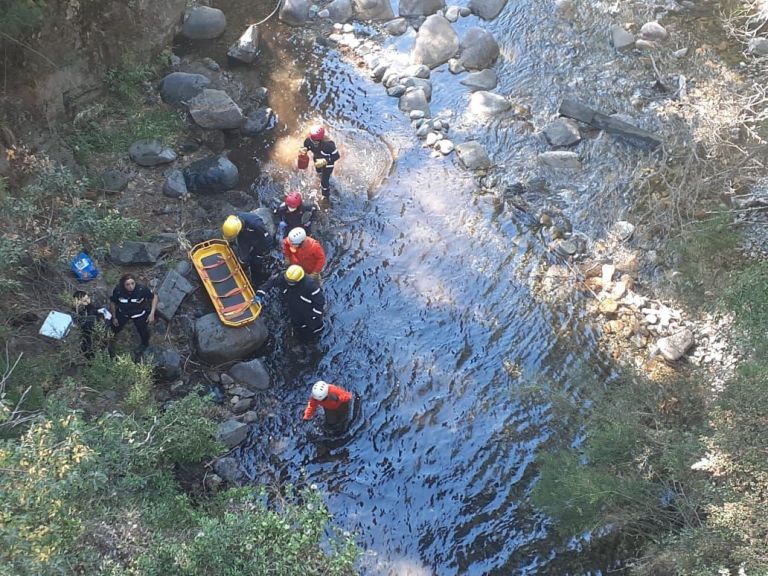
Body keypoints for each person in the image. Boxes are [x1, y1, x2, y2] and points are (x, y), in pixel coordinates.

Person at [254, 265, 325, 340]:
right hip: (293, 307)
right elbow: (271, 281)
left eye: (291, 281)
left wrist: (314, 316)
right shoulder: (284, 277)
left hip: (307, 311)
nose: (288, 282)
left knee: (314, 328)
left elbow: (319, 303)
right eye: (287, 280)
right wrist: (260, 293)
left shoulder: (310, 286)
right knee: (297, 324)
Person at [109, 274, 158, 353]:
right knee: (114, 328)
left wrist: (152, 314)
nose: (131, 286)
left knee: (143, 331)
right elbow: (113, 302)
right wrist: (114, 317)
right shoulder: (118, 290)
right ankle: (109, 342)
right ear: (123, 285)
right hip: (123, 313)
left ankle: (144, 344)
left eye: (132, 283)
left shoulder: (142, 289)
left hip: (139, 314)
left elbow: (154, 297)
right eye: (127, 284)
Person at [222, 212, 274, 286]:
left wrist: (267, 250)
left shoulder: (255, 224)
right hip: (244, 233)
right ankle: (244, 269)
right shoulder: (233, 224)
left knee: (257, 259)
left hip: (258, 236)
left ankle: (256, 279)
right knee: (243, 257)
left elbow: (266, 237)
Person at [302, 124, 340, 202]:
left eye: (315, 142)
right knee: (318, 172)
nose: (313, 143)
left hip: (328, 163)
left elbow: (337, 156)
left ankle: (326, 197)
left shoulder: (329, 145)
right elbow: (305, 147)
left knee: (324, 181)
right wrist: (302, 154)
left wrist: (325, 160)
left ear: (321, 140)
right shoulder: (308, 141)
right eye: (312, 140)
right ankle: (319, 176)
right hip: (317, 159)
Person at [72, 290, 108, 359]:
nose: (88, 301)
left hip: (98, 333)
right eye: (84, 301)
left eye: (88, 298)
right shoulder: (79, 312)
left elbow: (93, 310)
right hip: (88, 336)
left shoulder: (89, 306)